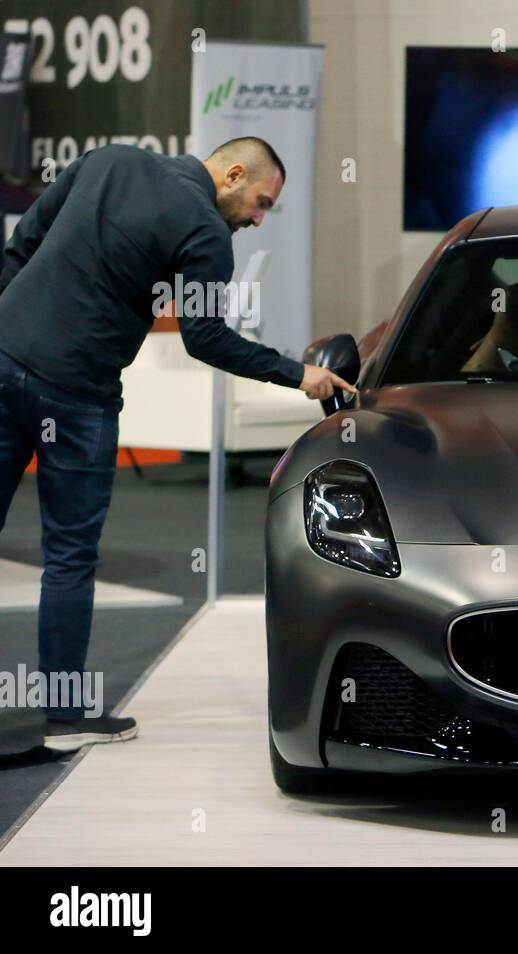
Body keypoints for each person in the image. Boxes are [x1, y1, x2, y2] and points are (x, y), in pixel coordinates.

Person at [0, 137, 354, 753]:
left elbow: (24, 242)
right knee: (69, 556)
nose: (257, 218)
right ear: (233, 173)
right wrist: (298, 374)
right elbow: (207, 340)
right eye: (261, 202)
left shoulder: (107, 160)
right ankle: (63, 716)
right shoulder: (206, 232)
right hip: (78, 397)